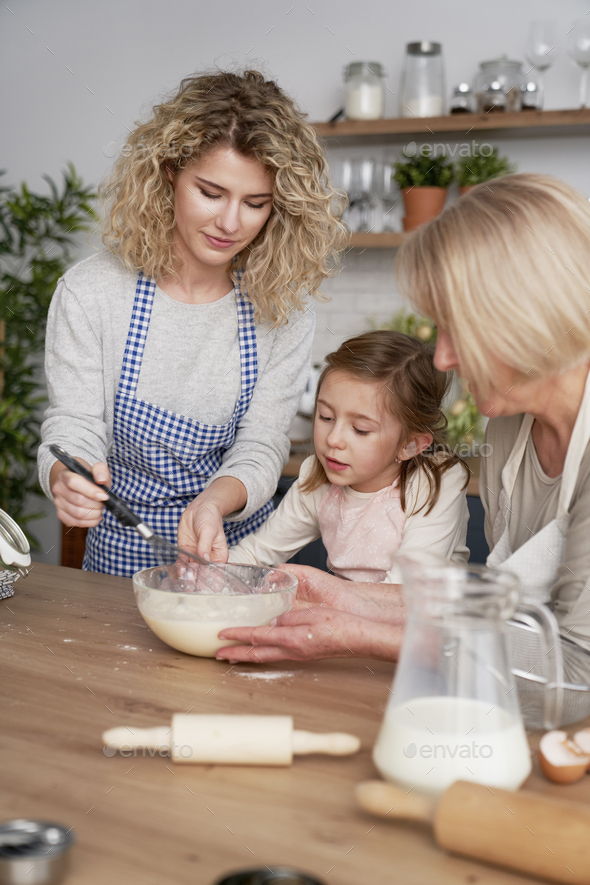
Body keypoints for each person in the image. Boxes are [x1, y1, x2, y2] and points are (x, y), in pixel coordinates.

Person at [219, 174, 590, 726]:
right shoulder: (509, 431)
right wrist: (339, 597)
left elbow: (578, 675)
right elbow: (507, 614)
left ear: (525, 317)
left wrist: (362, 634)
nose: (442, 358)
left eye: (455, 329)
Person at [38, 69, 346, 577]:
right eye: (210, 192)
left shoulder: (283, 306)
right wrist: (64, 476)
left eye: (255, 204)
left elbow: (262, 443)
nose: (230, 223)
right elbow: (73, 424)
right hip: (118, 557)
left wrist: (211, 506)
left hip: (231, 555)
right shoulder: (92, 292)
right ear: (168, 174)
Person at [225, 331, 469, 584]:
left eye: (360, 430)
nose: (333, 439)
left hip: (423, 617)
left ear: (409, 445)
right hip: (347, 612)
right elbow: (254, 555)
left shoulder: (436, 481)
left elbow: (406, 593)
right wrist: (206, 573)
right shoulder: (317, 477)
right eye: (326, 417)